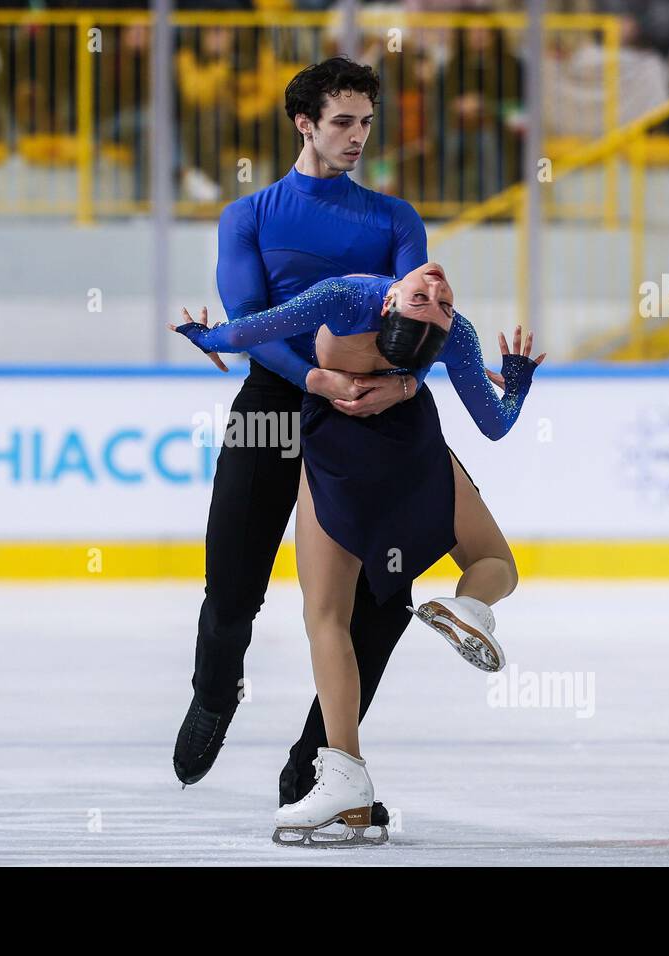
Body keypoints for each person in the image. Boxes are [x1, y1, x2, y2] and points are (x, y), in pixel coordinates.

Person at [171, 262, 543, 844]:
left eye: (434, 297)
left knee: (326, 616)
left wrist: (203, 337)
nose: (441, 286)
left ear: (391, 302)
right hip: (409, 448)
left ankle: (344, 776)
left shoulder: (349, 297)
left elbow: (250, 332)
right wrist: (517, 378)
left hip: (336, 451)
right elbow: (496, 425)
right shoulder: (456, 333)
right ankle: (471, 608)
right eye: (435, 297)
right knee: (495, 564)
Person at [172, 58, 432, 823]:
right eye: (343, 122)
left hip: (370, 412)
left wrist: (406, 384)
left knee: (384, 603)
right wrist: (313, 379)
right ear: (304, 123)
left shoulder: (394, 218)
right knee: (233, 586)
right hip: (278, 400)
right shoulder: (249, 216)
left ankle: (319, 764)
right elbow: (251, 318)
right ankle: (216, 693)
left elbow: (419, 323)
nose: (357, 138)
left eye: (366, 123)